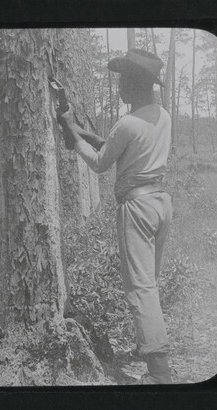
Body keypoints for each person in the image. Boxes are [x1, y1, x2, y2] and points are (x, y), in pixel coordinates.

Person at [57, 49, 173, 384]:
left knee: (140, 288)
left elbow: (100, 162)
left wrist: (70, 129)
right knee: (149, 281)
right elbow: (119, 144)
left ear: (136, 85)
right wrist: (78, 129)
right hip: (160, 203)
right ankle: (149, 345)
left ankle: (159, 372)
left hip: (136, 208)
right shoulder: (161, 115)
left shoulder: (126, 123)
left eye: (124, 81)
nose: (120, 87)